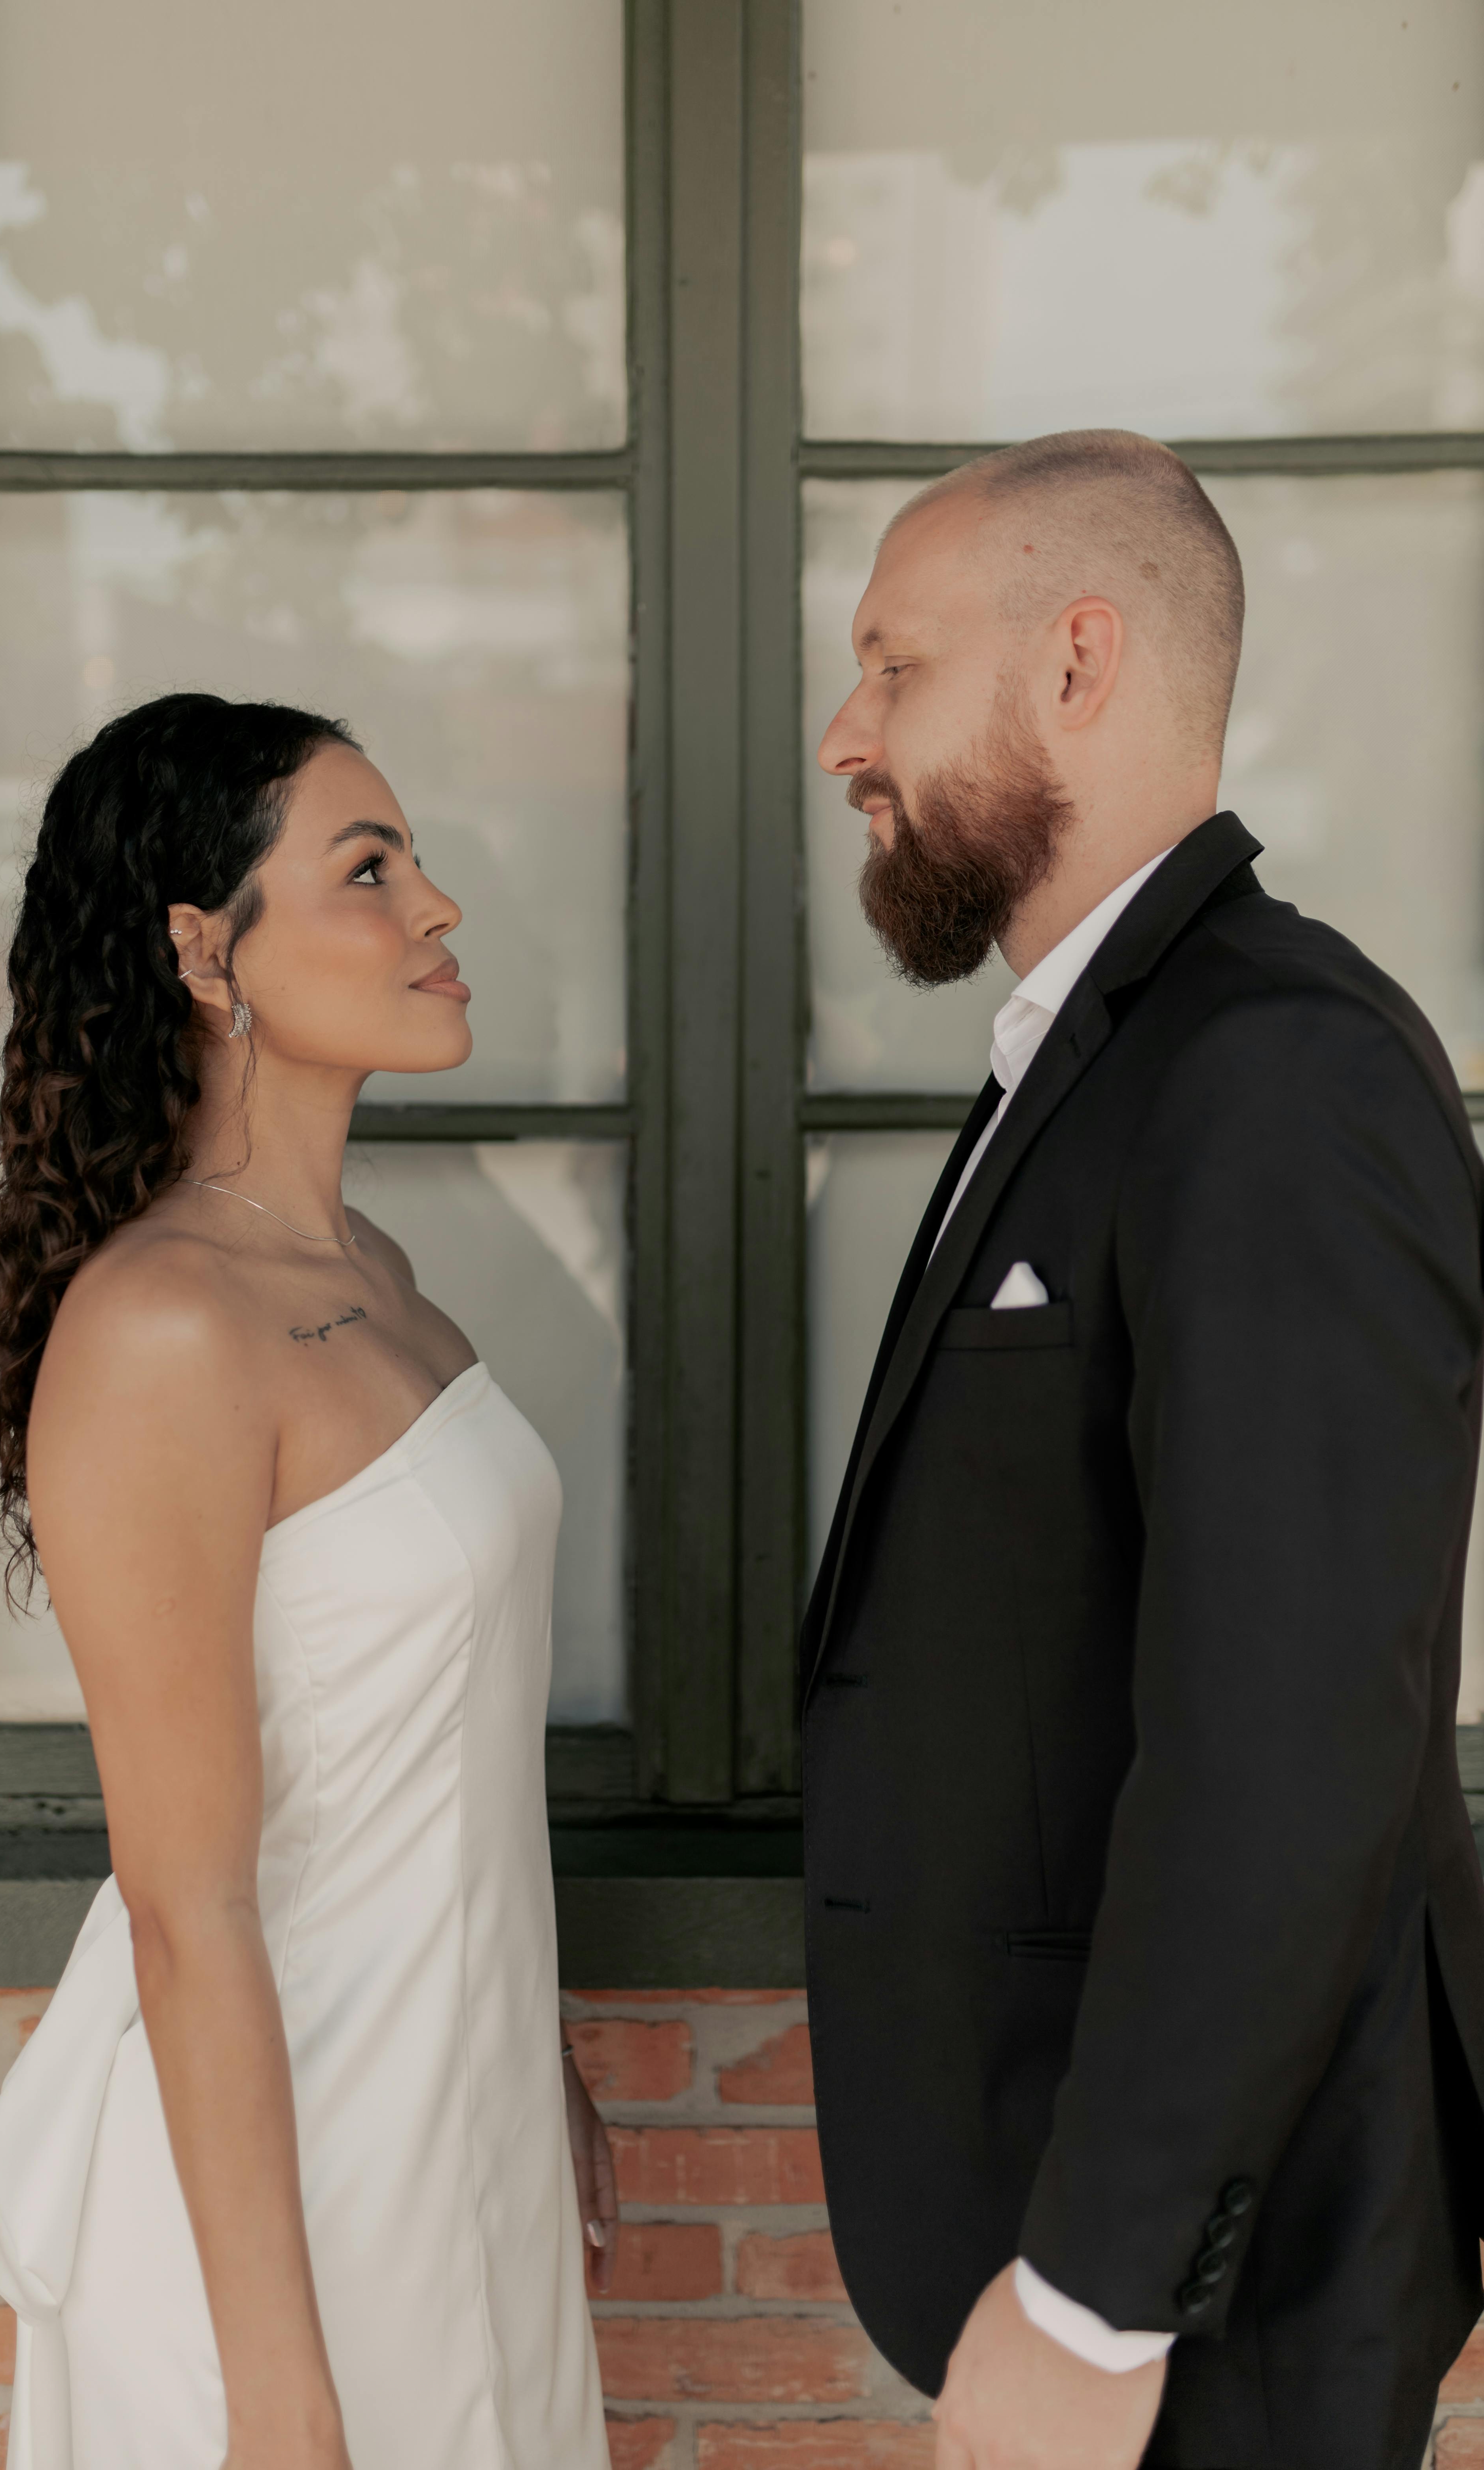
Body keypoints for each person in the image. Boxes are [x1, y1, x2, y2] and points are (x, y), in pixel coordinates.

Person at [801, 429, 1484, 2470]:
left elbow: (1289, 1734)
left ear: (1076, 661)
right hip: (1085, 2238)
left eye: (892, 666)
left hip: (1207, 2292)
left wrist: (1097, 2297)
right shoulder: (1094, 1052)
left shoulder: (1272, 1066)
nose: (843, 735)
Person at [0, 693, 617, 2470]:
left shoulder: (376, 1271)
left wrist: (534, 2053)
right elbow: (187, 1905)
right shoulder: (164, 1329)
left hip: (456, 2110)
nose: (438, 907)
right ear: (203, 950)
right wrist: (282, 2402)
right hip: (285, 2194)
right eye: (369, 868)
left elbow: (434, 1735)